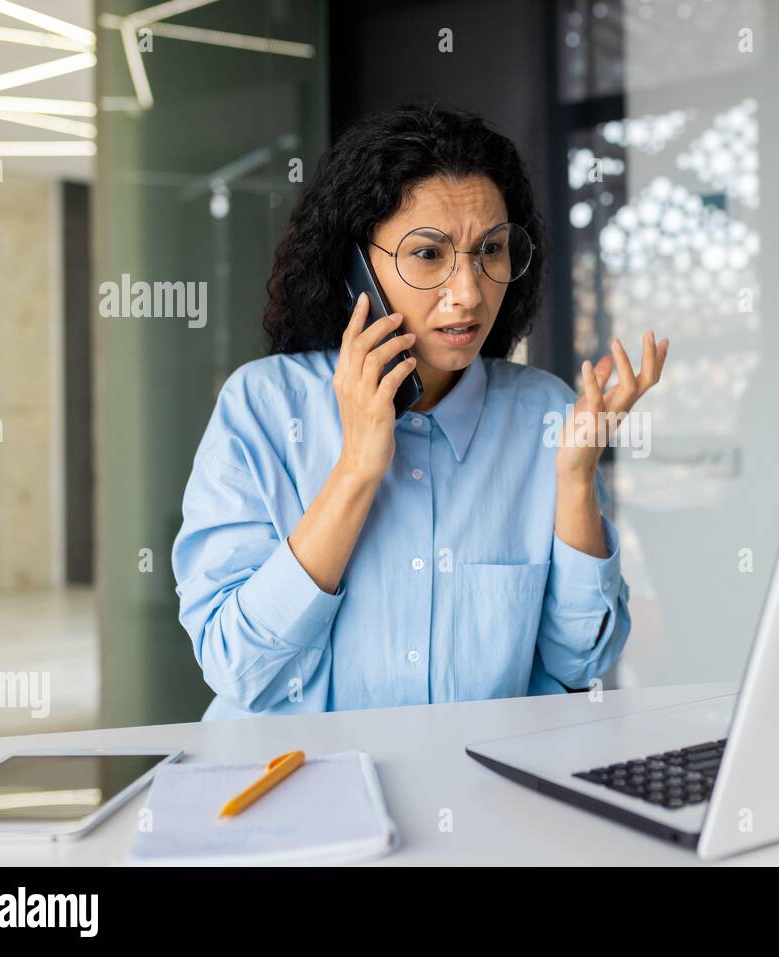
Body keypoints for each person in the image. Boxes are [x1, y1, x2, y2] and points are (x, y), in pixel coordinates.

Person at [171, 104, 668, 719]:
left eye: (491, 249)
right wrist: (355, 469)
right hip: (301, 793)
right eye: (429, 255)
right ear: (356, 266)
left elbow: (579, 664)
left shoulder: (548, 414)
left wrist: (572, 483)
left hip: (479, 791)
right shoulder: (265, 408)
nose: (469, 292)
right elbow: (237, 665)